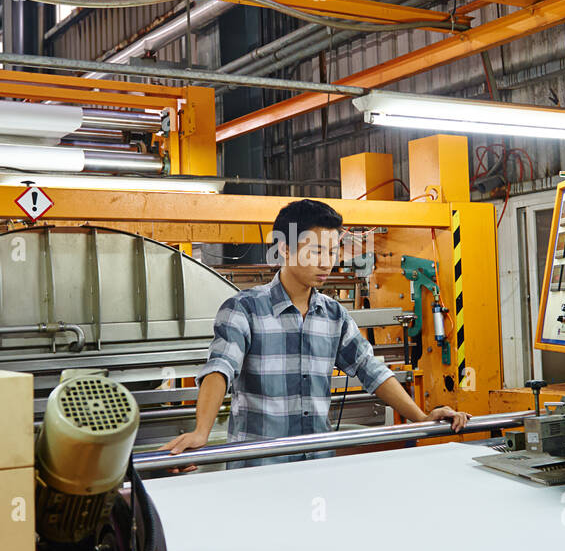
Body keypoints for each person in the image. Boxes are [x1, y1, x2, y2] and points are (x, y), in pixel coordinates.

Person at [163, 198, 468, 469]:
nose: (327, 262)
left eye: (333, 252)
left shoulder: (333, 315)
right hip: (258, 468)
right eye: (317, 251)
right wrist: (201, 431)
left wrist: (421, 418)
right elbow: (220, 368)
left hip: (316, 467)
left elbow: (370, 369)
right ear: (284, 248)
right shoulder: (244, 309)